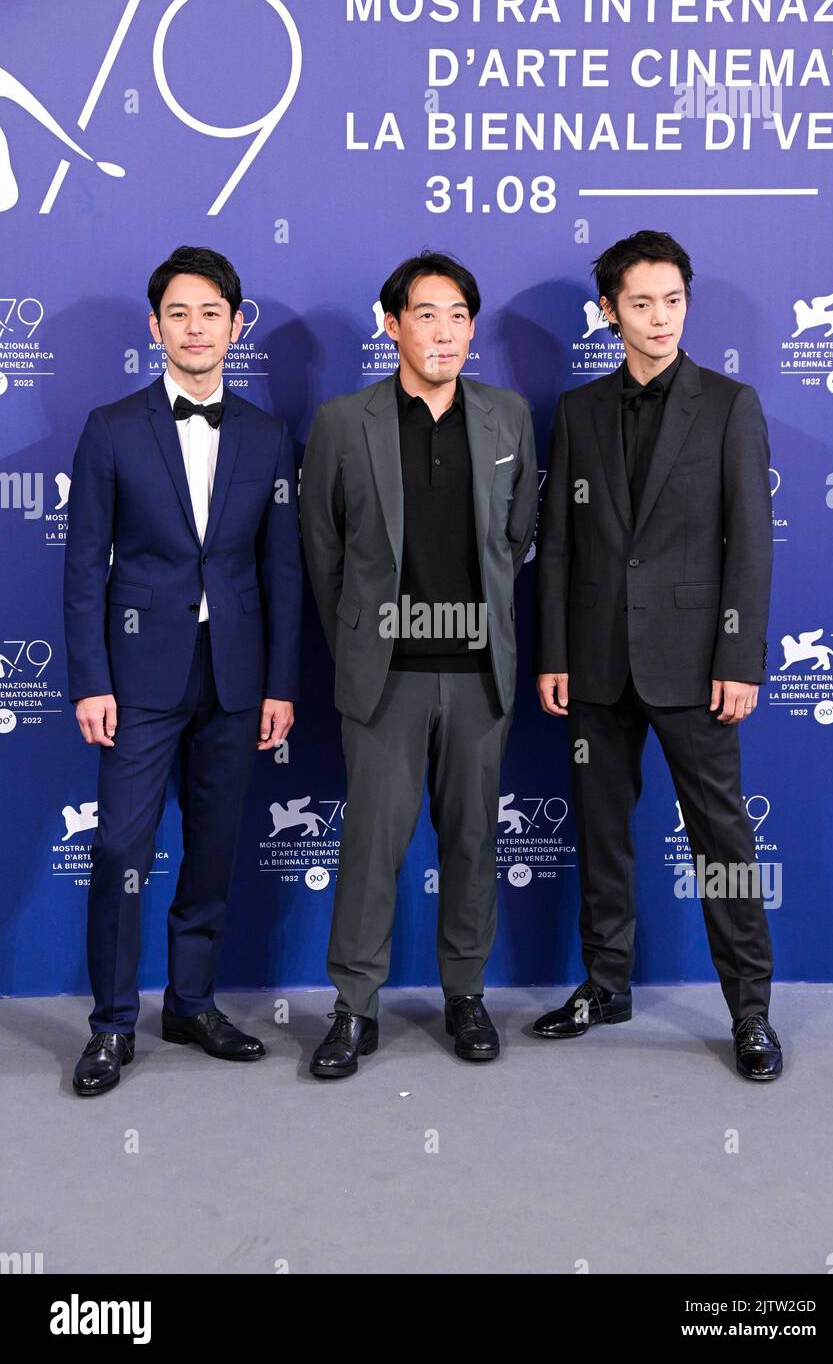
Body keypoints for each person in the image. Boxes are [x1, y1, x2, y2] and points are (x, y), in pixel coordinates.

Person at [533, 230, 781, 1080]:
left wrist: (740, 659)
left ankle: (750, 1009)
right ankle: (605, 986)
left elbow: (750, 543)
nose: (661, 317)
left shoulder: (729, 404)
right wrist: (556, 653)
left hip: (696, 664)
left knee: (723, 840)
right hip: (596, 662)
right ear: (609, 312)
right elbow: (559, 547)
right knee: (602, 835)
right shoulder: (578, 411)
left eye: (673, 299)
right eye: (641, 303)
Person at [64, 245, 301, 1095]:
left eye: (211, 313)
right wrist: (91, 679)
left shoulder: (268, 436)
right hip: (137, 678)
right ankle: (111, 1024)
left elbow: (283, 574)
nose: (195, 329)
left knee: (213, 848)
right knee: (121, 847)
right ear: (155, 325)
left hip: (235, 680)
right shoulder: (112, 428)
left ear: (237, 326)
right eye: (179, 314)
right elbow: (84, 564)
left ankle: (192, 1003)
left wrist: (280, 684)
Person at [300, 251, 538, 1076]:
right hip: (386, 676)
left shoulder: (509, 417)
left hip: (480, 673)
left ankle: (465, 996)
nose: (445, 331)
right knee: (369, 846)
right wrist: (364, 646)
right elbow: (324, 555)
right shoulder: (342, 422)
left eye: (459, 316)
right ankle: (354, 1009)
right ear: (393, 323)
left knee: (473, 840)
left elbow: (517, 539)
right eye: (427, 314)